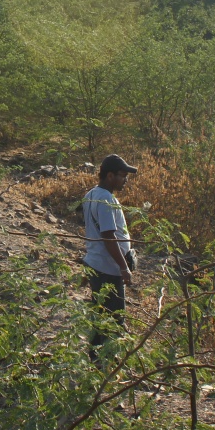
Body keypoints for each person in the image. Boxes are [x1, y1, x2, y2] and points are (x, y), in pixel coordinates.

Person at [83, 153, 138, 361]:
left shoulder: (91, 194)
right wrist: (123, 267)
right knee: (114, 319)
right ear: (109, 176)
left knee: (102, 315)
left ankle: (97, 362)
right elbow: (107, 235)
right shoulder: (106, 199)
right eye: (122, 175)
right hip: (108, 269)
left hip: (96, 263)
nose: (125, 180)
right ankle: (103, 365)